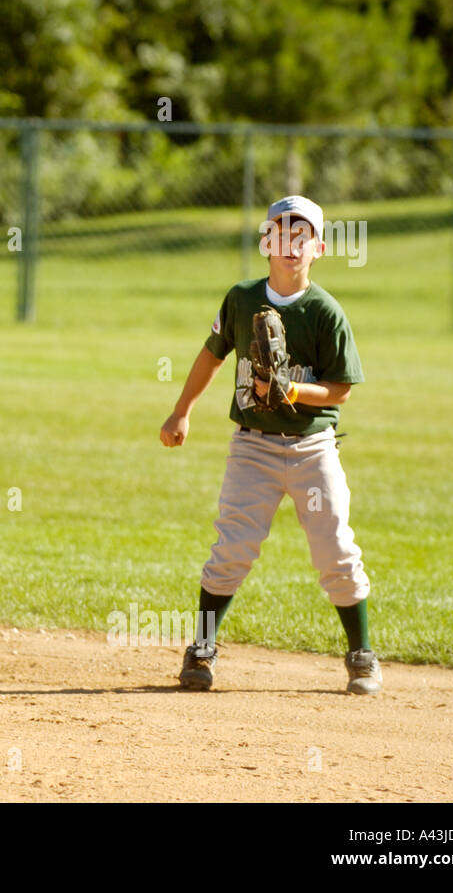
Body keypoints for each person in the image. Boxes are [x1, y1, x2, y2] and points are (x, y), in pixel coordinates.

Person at [159, 194, 381, 694]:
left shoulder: (326, 312)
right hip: (252, 447)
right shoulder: (241, 299)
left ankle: (361, 654)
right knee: (231, 548)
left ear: (319, 248)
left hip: (312, 447)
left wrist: (292, 390)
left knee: (336, 551)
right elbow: (212, 356)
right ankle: (202, 649)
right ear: (267, 242)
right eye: (281, 233)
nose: (291, 244)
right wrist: (182, 410)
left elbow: (342, 389)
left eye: (302, 236)